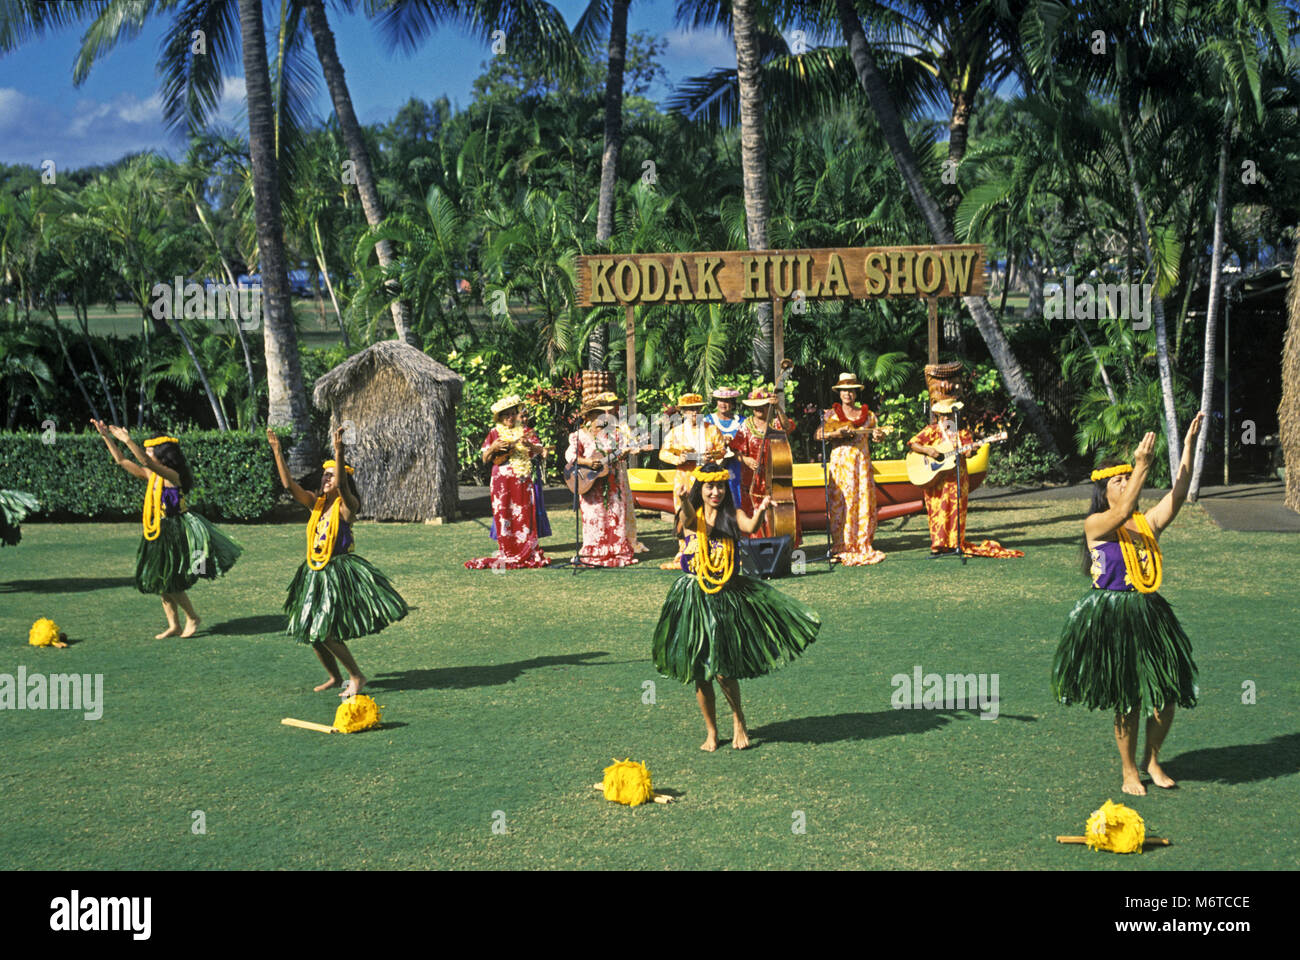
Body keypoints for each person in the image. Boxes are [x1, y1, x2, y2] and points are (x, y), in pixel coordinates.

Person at [1052, 414, 1204, 796]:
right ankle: (1129, 770)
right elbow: (1121, 512)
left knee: (1167, 693)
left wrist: (1188, 446)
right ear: (1104, 492)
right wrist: (1139, 466)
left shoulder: (1146, 523)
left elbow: (1179, 493)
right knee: (1128, 698)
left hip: (1149, 613)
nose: (1126, 483)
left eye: (1127, 478)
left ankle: (1153, 759)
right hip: (1113, 615)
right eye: (1118, 481)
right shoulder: (1097, 523)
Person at [651, 461, 821, 751]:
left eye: (719, 486)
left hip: (725, 597)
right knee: (700, 671)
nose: (715, 492)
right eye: (709, 487)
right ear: (700, 489)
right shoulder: (693, 515)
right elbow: (690, 520)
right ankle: (711, 731)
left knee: (722, 670)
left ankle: (738, 719)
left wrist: (762, 510)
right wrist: (682, 500)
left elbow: (750, 526)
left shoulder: (733, 514)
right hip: (693, 598)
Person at [268, 426, 408, 697]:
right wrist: (276, 451)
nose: (325, 479)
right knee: (312, 630)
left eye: (330, 475)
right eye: (324, 475)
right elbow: (288, 485)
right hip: (314, 571)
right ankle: (334, 676)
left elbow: (343, 486)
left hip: (338, 573)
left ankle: (356, 676)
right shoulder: (315, 504)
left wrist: (339, 451)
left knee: (326, 631)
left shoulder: (347, 506)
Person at [91, 420, 242, 638]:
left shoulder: (172, 475)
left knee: (169, 579)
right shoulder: (152, 475)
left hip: (175, 530)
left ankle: (192, 617)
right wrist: (106, 436)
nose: (146, 452)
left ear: (162, 454)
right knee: (159, 579)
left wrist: (127, 439)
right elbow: (122, 460)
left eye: (150, 450)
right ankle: (174, 624)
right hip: (157, 529)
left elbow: (144, 461)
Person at [907, 362, 1022, 558]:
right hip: (936, 479)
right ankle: (938, 545)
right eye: (944, 415)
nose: (947, 418)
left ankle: (954, 544)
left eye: (950, 414)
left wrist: (973, 448)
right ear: (939, 415)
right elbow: (913, 443)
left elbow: (968, 453)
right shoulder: (932, 430)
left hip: (957, 478)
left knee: (955, 509)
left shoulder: (962, 433)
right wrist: (929, 451)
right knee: (937, 509)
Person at [466, 395, 550, 570]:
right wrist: (493, 448)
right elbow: (484, 459)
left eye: (513, 414)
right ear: (500, 418)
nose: (510, 418)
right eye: (506, 415)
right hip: (501, 481)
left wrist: (530, 445)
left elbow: (542, 453)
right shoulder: (494, 433)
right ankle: (508, 551)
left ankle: (526, 551)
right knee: (504, 514)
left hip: (521, 479)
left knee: (524, 514)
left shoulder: (526, 432)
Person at [815, 372, 887, 565]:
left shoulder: (868, 415)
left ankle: (861, 542)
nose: (848, 394)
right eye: (844, 390)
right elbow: (818, 435)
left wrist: (879, 437)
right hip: (841, 465)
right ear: (839, 393)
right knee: (841, 503)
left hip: (861, 464)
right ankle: (842, 544)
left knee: (862, 501)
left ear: (856, 393)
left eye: (852, 390)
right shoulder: (830, 414)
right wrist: (837, 432)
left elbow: (876, 436)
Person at [565, 391, 637, 566]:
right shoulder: (579, 435)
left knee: (615, 514)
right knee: (594, 517)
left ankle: (617, 550)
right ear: (588, 416)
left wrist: (624, 453)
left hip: (614, 482)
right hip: (590, 483)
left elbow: (621, 454)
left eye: (604, 412)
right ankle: (594, 551)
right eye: (598, 413)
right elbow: (571, 456)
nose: (604, 416)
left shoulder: (614, 433)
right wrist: (589, 461)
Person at [658, 393, 726, 568]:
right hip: (684, 479)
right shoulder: (676, 432)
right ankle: (686, 551)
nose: (693, 413)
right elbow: (663, 453)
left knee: (709, 514)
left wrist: (714, 455)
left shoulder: (712, 429)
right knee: (685, 515)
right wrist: (677, 460)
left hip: (707, 481)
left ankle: (711, 550)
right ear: (682, 412)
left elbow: (722, 451)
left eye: (696, 409)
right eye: (689, 410)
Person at [729, 386, 801, 544]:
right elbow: (735, 450)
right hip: (753, 479)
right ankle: (756, 544)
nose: (759, 409)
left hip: (777, 475)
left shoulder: (776, 423)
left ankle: (783, 542)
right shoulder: (746, 425)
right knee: (755, 510)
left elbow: (788, 427)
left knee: (780, 509)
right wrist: (746, 460)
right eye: (755, 407)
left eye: (762, 405)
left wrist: (777, 407)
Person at [704, 387, 746, 507]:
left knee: (737, 498)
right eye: (721, 400)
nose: (723, 404)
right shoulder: (707, 421)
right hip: (714, 467)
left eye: (727, 401)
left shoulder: (742, 422)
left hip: (737, 468)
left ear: (733, 404)